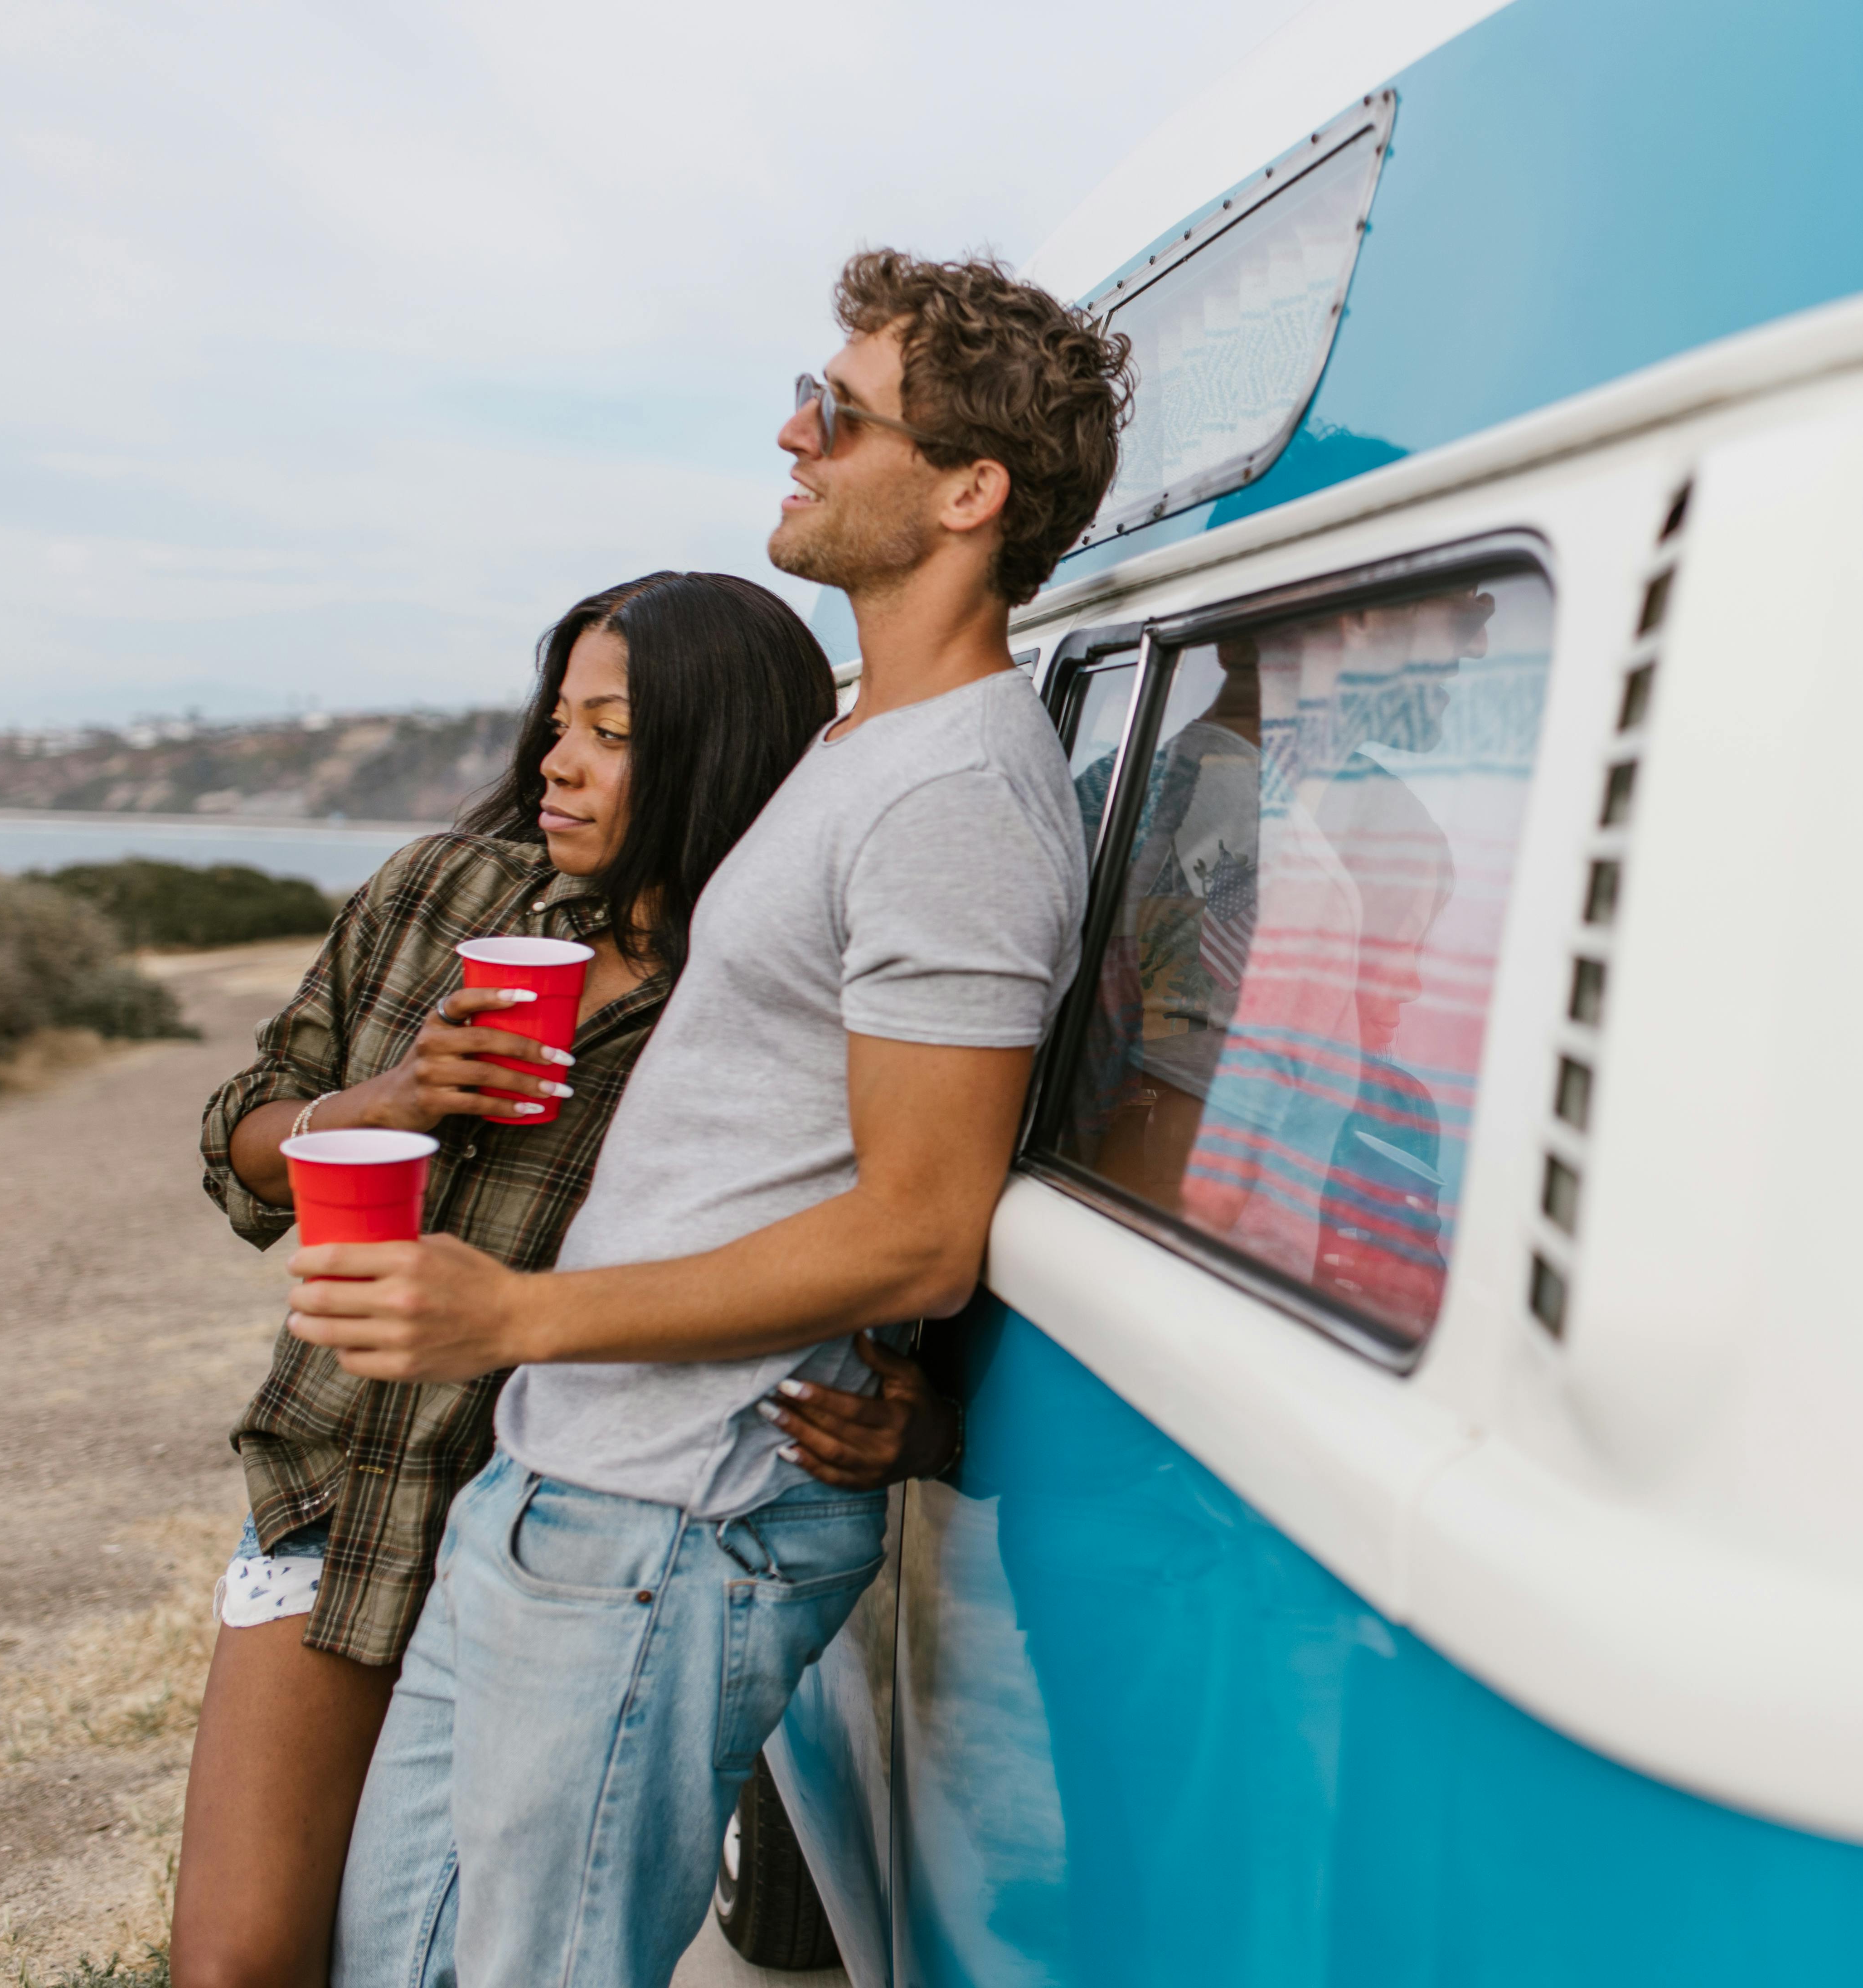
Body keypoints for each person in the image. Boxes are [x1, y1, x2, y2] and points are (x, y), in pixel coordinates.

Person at [294, 253, 1133, 1986]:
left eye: (837, 410)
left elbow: (918, 1221)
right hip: (570, 1476)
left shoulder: (959, 793)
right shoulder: (859, 744)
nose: (792, 431)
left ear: (968, 492)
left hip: (673, 1515)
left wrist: (517, 1310)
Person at [170, 571, 946, 1988]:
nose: (556, 759)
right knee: (239, 1961)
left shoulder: (762, 984)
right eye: (558, 720)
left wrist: (922, 1415)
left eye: (611, 729)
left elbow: (902, 1222)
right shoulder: (441, 893)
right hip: (344, 1484)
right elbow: (243, 1134)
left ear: (714, 748)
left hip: (577, 1525)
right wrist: (387, 1097)